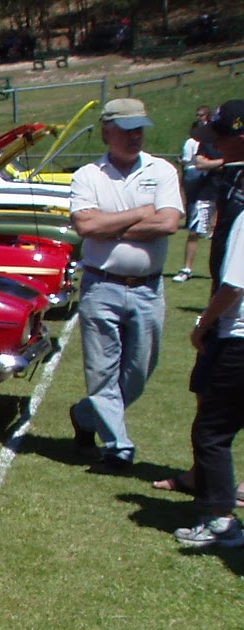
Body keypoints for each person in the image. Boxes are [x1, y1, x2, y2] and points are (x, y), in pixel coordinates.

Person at [66, 98, 183, 473]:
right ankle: (119, 448)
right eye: (127, 130)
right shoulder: (88, 175)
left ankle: (85, 416)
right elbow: (86, 226)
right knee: (102, 371)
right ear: (106, 132)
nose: (135, 136)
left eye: (139, 130)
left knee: (138, 373)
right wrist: (141, 213)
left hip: (148, 288)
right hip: (102, 285)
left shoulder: (161, 171)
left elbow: (168, 223)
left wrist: (110, 225)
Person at [173, 99, 244, 548]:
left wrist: (203, 323)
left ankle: (220, 519)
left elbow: (233, 285)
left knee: (212, 431)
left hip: (236, 335)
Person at [175, 106, 222, 283]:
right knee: (195, 231)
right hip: (208, 192)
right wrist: (224, 162)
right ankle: (187, 268)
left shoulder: (236, 141)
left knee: (225, 235)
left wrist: (215, 163)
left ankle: (223, 271)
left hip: (229, 193)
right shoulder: (207, 142)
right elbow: (200, 163)